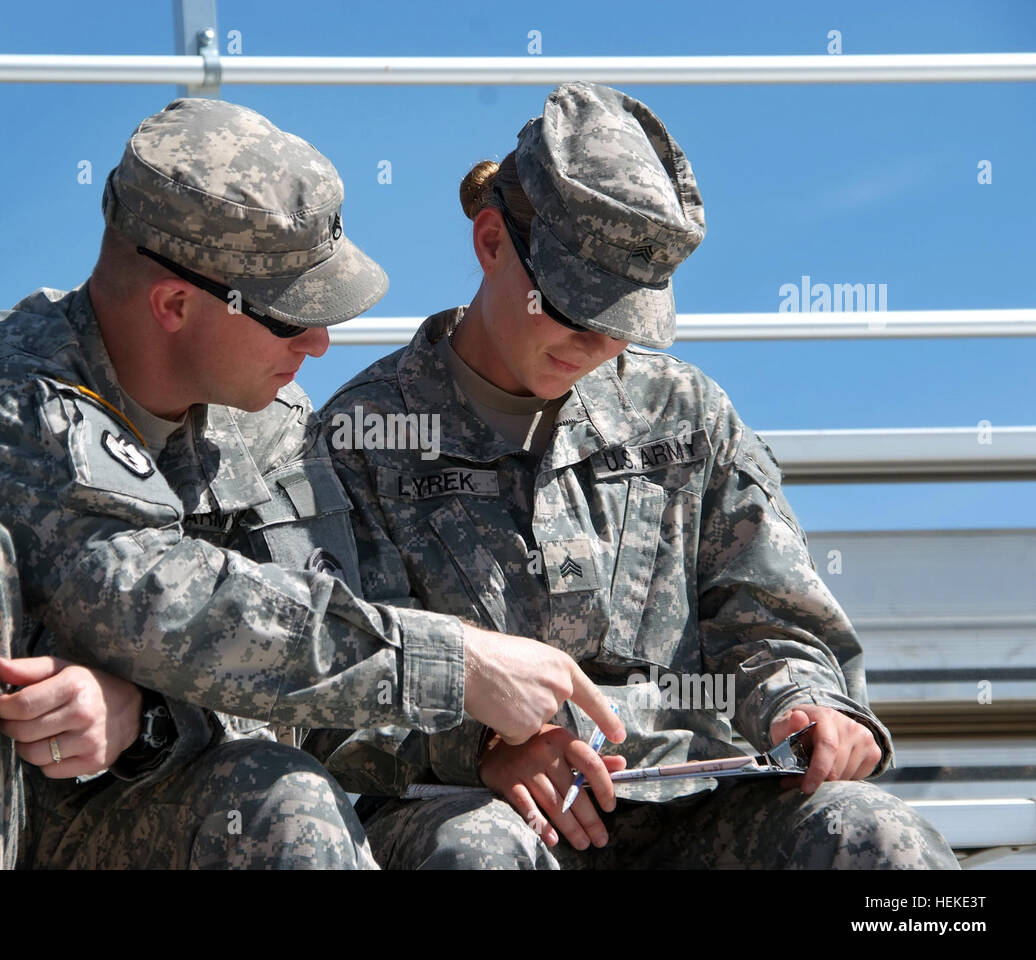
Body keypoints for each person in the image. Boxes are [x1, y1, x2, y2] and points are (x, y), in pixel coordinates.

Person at [0, 97, 622, 869]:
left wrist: (146, 719)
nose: (319, 346)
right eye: (290, 318)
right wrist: (449, 659)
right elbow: (157, 600)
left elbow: (304, 697)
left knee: (284, 797)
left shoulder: (274, 434)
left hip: (79, 822)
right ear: (175, 305)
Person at [304, 82, 958, 869]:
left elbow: (769, 618)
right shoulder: (360, 437)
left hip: (696, 808)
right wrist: (479, 746)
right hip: (489, 812)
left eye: (623, 324)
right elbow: (323, 685)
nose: (594, 344)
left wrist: (802, 703)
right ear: (490, 243)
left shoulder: (686, 415)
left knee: (879, 839)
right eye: (576, 311)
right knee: (475, 855)